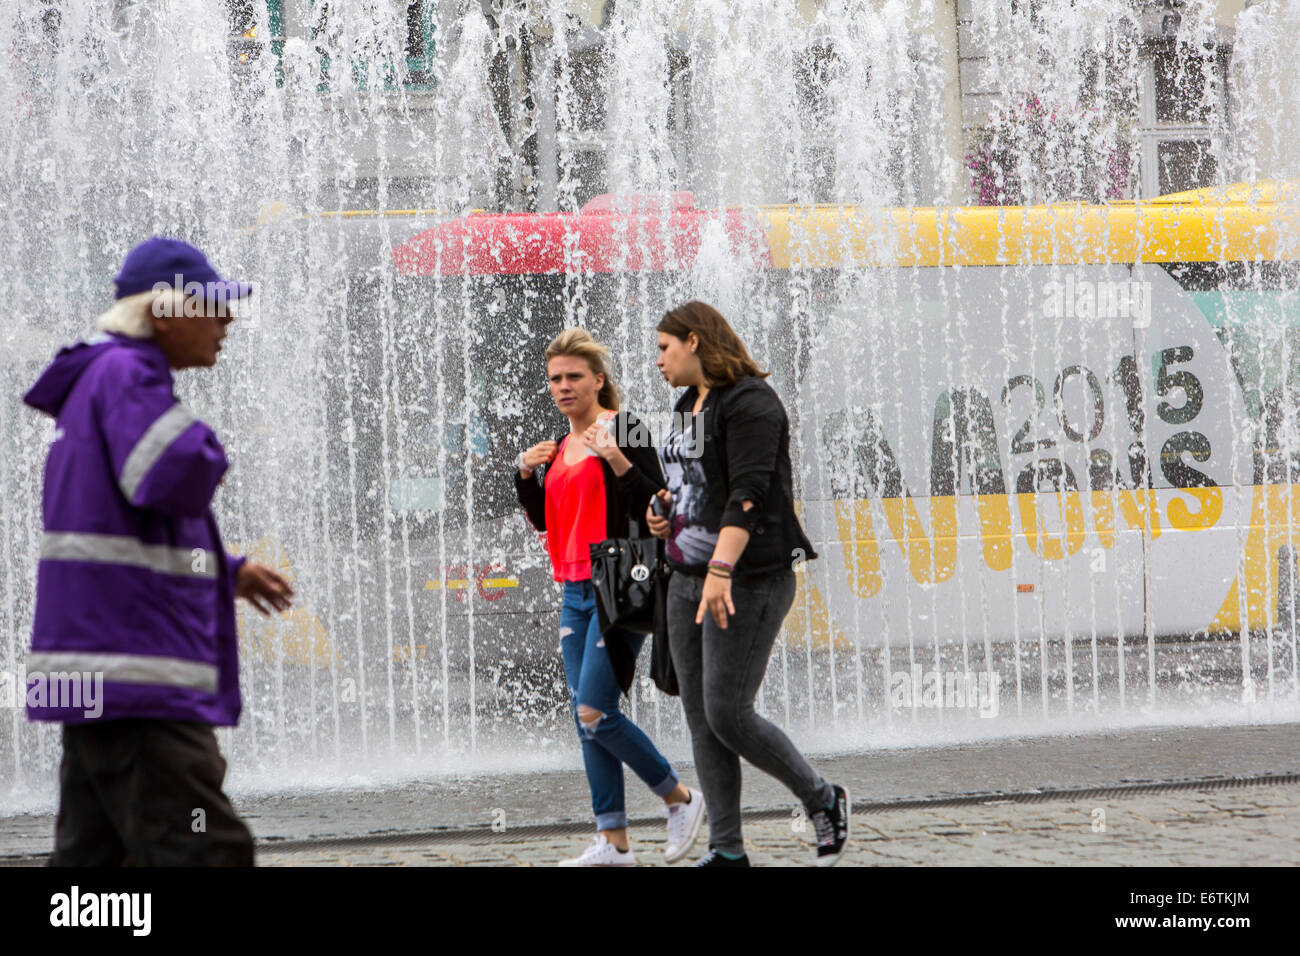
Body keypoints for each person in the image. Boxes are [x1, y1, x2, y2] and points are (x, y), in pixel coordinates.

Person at [23, 236, 294, 866]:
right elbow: (175, 473)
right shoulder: (127, 373)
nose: (227, 319)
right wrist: (212, 447)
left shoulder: (99, 377)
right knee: (205, 850)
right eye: (216, 306)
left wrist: (226, 571)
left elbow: (128, 527)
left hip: (99, 677)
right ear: (166, 312)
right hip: (135, 680)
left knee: (97, 869)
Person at [646, 300, 850, 867]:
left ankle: (822, 797)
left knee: (729, 713)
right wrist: (662, 510)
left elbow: (749, 493)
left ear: (693, 340)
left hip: (746, 580)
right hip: (686, 579)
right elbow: (691, 485)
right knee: (701, 719)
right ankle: (727, 852)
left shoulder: (751, 402)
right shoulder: (688, 403)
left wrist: (720, 571)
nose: (658, 360)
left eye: (664, 348)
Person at [514, 327, 704, 866]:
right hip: (573, 591)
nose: (563, 386)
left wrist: (615, 456)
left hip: (616, 589)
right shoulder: (563, 446)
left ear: (599, 380)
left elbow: (658, 500)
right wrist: (526, 474)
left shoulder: (624, 429)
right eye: (555, 379)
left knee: (597, 712)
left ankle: (680, 798)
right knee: (585, 715)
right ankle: (614, 841)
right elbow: (545, 522)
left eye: (574, 376)